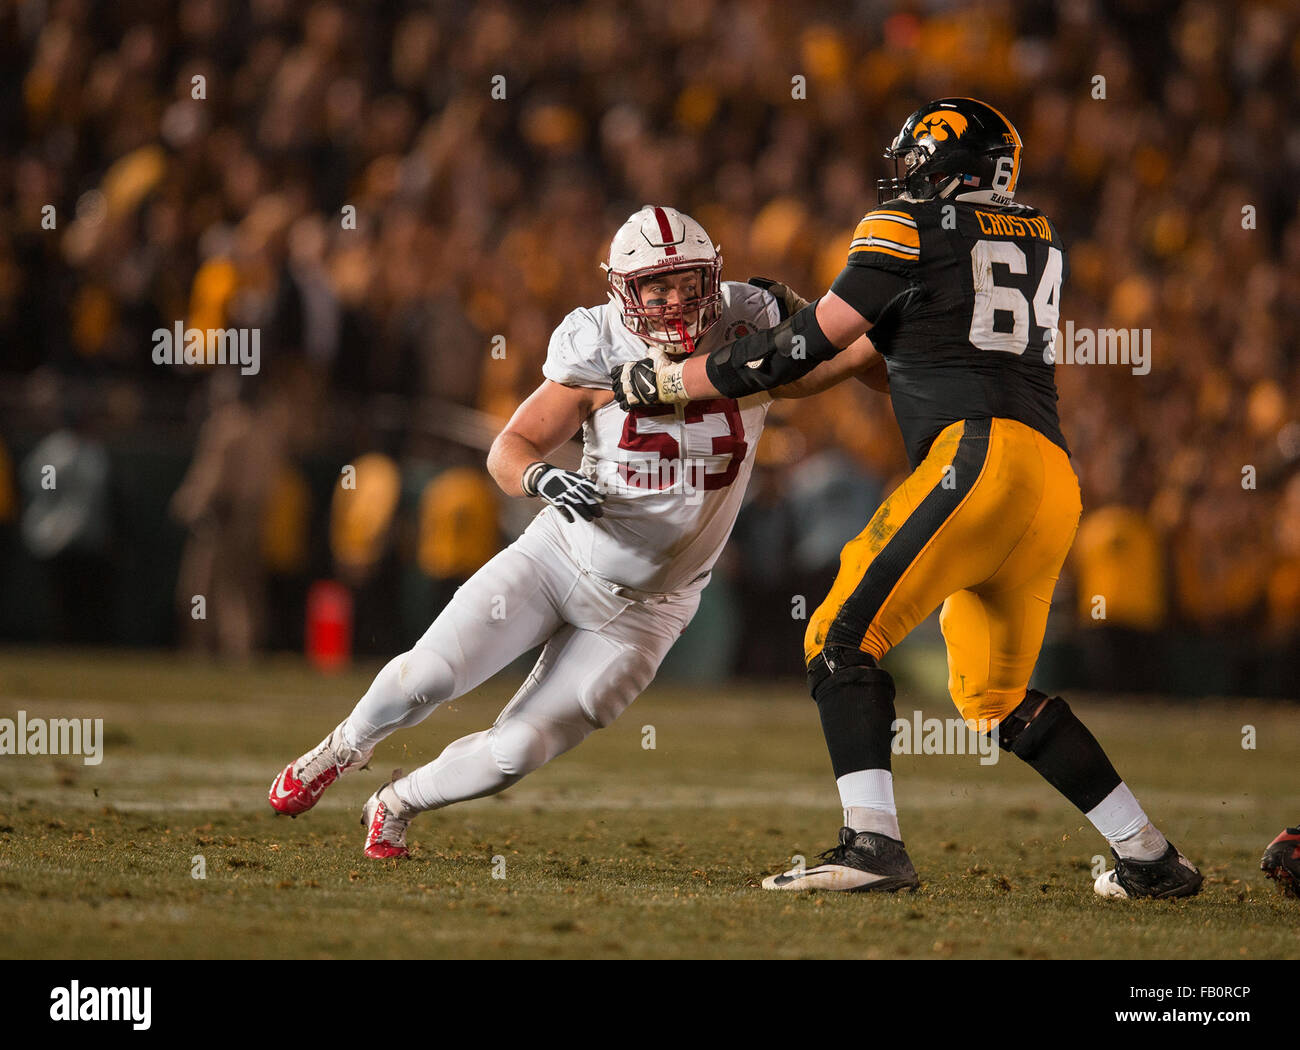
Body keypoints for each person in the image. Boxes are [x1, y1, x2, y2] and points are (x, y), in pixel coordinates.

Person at [611, 100, 1203, 900]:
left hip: (974, 460)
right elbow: (893, 343)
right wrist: (802, 328)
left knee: (837, 636)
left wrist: (671, 382)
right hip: (1048, 478)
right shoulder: (1037, 233)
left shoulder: (904, 225)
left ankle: (872, 846)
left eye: (915, 157)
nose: (903, 172)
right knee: (991, 694)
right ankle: (1148, 856)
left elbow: (799, 352)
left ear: (944, 160)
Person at [268, 205, 880, 857]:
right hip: (557, 556)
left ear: (714, 279)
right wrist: (541, 479)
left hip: (650, 609)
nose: (676, 301)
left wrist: (880, 322)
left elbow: (851, 366)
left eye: (689, 282)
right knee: (429, 674)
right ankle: (342, 748)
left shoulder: (751, 320)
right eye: (657, 286)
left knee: (518, 749)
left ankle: (396, 800)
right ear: (624, 291)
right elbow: (511, 445)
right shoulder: (598, 340)